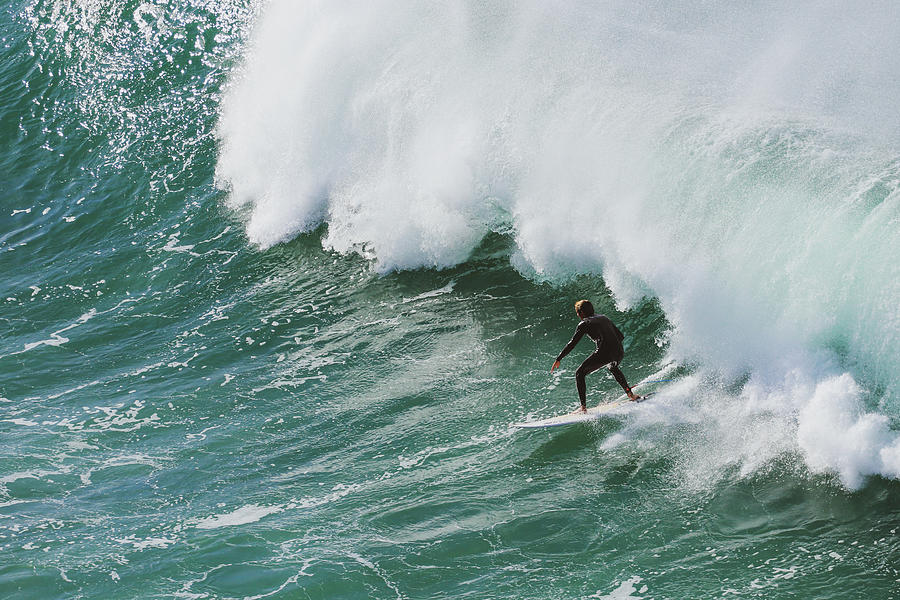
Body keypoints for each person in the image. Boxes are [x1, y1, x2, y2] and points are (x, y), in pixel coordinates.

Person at [550, 299, 640, 412]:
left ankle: (583, 407)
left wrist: (559, 358)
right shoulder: (604, 317)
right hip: (619, 351)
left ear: (581, 313)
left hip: (605, 352)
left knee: (579, 373)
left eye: (578, 313)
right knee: (612, 367)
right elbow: (620, 336)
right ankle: (630, 394)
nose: (578, 315)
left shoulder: (584, 323)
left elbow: (572, 343)